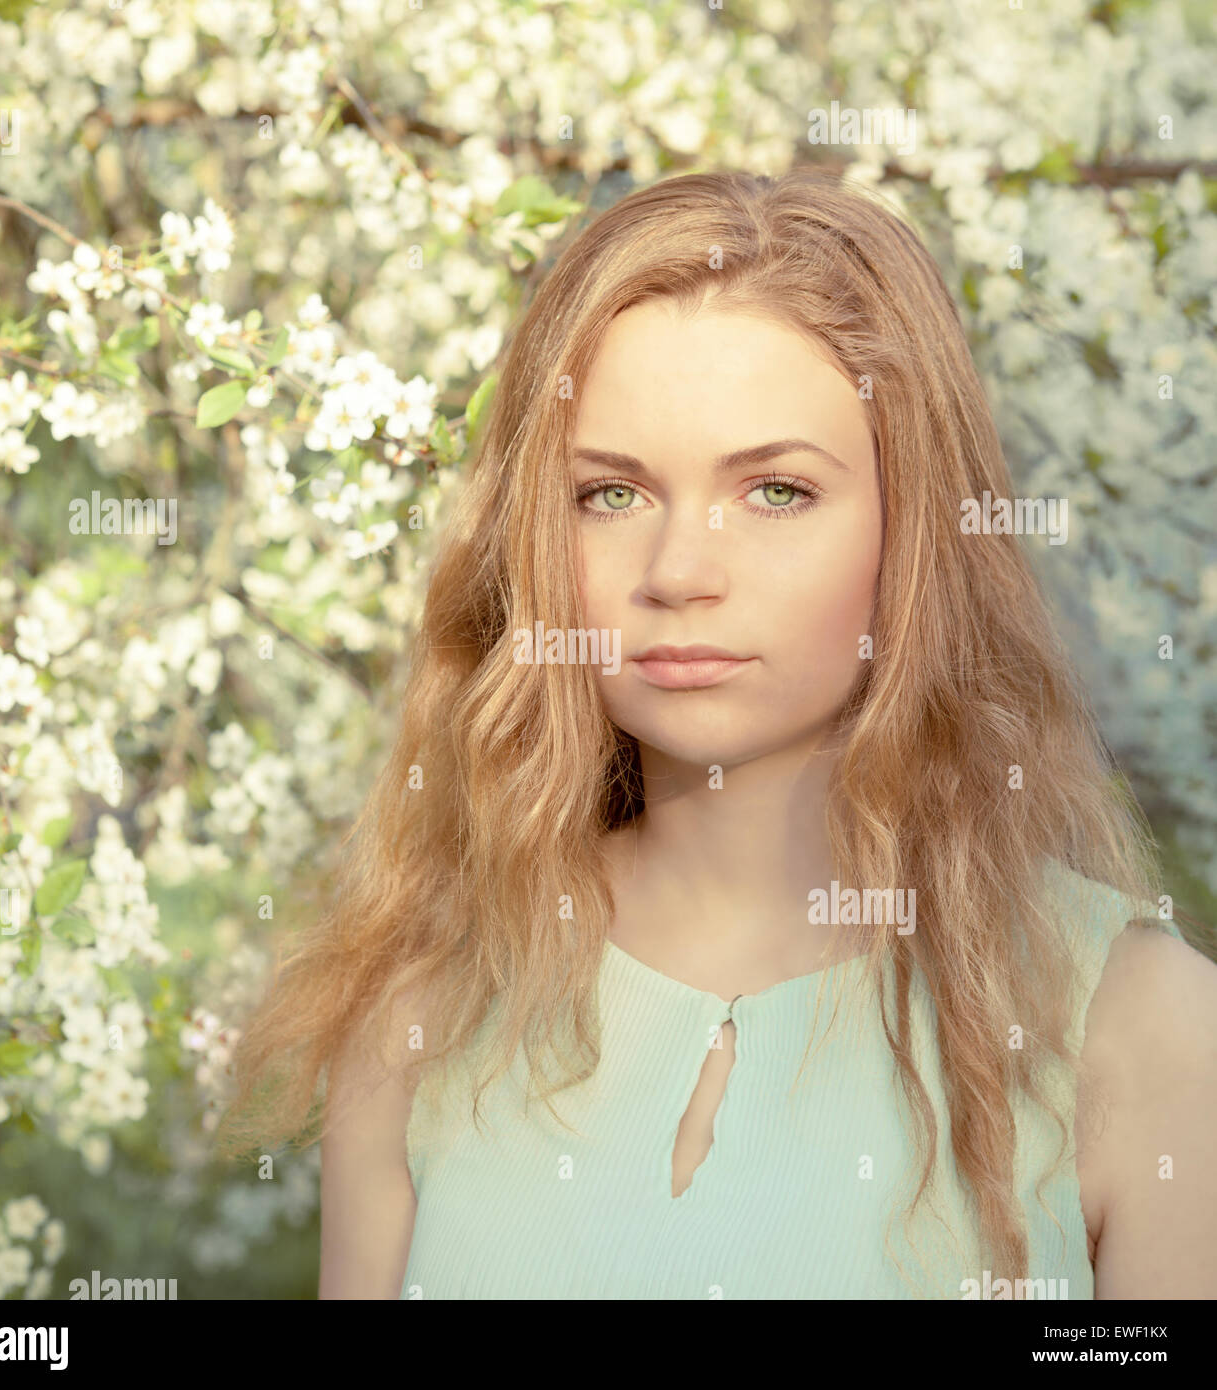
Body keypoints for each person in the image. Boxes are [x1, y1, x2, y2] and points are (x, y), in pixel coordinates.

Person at [219, 169, 1217, 1300]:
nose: (679, 571)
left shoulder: (1142, 1030)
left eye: (776, 491)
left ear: (917, 531)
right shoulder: (423, 1007)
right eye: (611, 494)